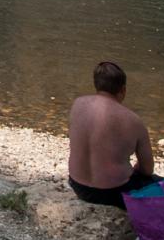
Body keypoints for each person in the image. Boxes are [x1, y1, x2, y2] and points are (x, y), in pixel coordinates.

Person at [66, 61, 155, 205]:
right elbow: (147, 169)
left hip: (78, 186)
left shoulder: (77, 104)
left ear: (96, 85)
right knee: (157, 183)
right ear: (123, 90)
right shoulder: (133, 120)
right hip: (114, 193)